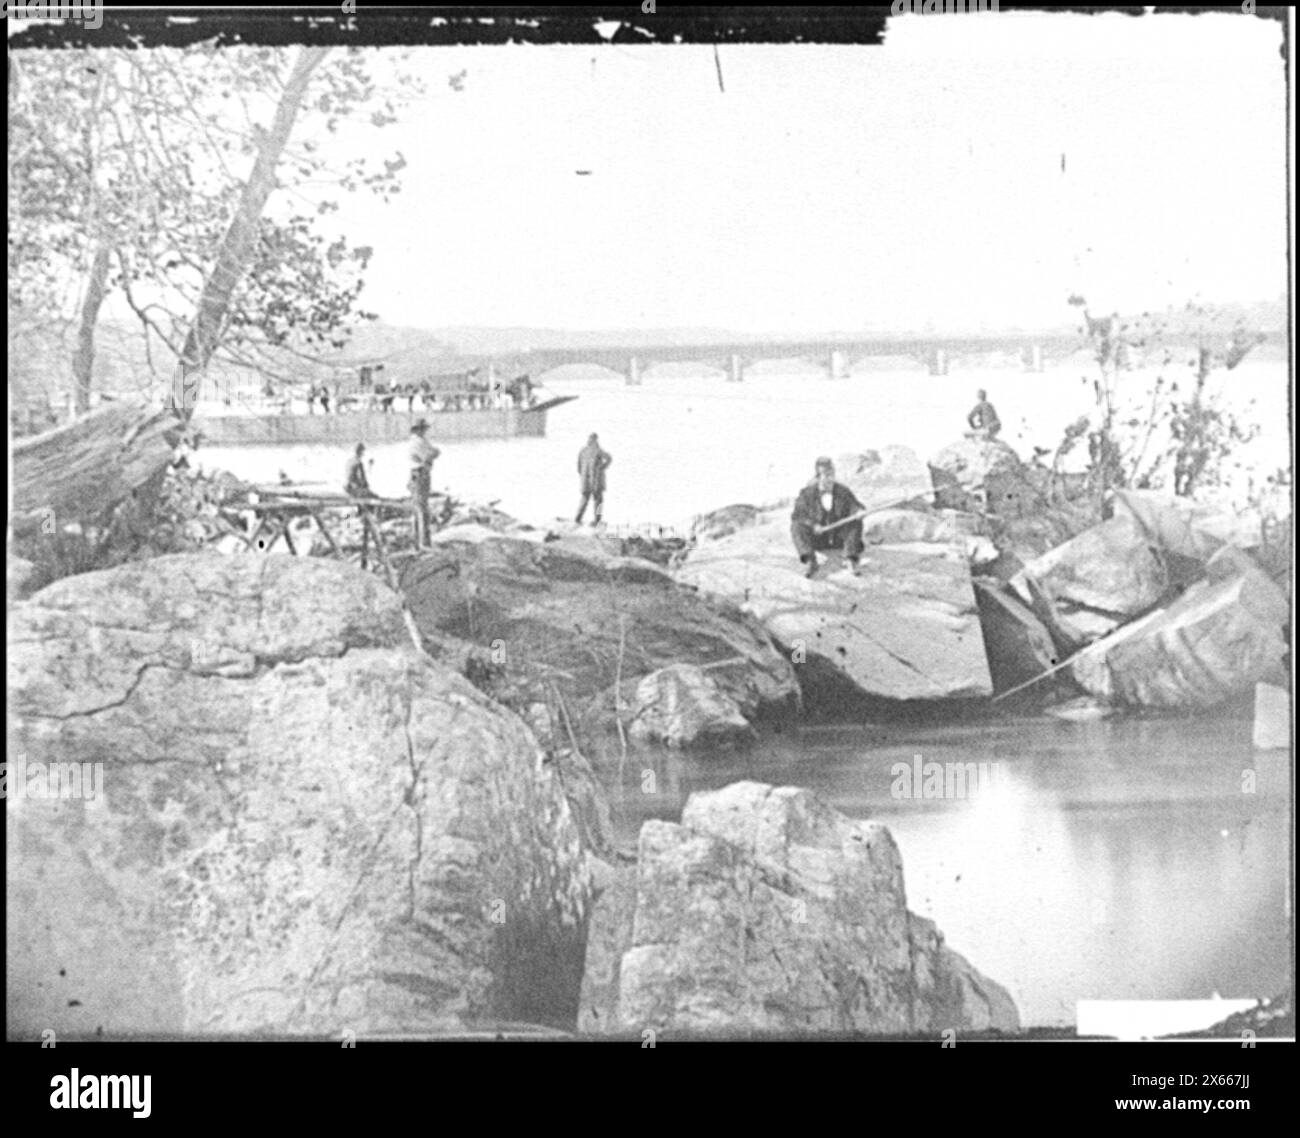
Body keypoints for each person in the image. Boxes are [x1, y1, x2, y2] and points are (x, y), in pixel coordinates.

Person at [791, 457, 866, 578]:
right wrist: (813, 525)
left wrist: (859, 511)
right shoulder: (807, 493)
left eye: (832, 474)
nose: (830, 479)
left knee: (856, 521)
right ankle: (810, 561)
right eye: (826, 475)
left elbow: (855, 505)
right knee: (796, 526)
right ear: (818, 477)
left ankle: (850, 559)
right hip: (818, 540)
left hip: (839, 539)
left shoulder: (843, 491)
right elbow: (797, 515)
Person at [408, 419, 441, 547]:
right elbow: (430, 454)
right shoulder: (418, 442)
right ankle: (423, 542)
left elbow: (434, 452)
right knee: (422, 509)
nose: (425, 431)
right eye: (424, 429)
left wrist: (432, 454)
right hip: (420, 474)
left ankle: (418, 541)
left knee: (419, 508)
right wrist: (432, 455)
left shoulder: (418, 441)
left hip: (419, 474)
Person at [575, 432, 612, 525]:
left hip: (585, 482)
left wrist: (583, 475)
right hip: (596, 481)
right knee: (599, 502)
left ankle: (578, 518)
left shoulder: (582, 451)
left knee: (584, 500)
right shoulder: (598, 450)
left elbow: (578, 467)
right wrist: (602, 467)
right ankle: (597, 520)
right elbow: (609, 458)